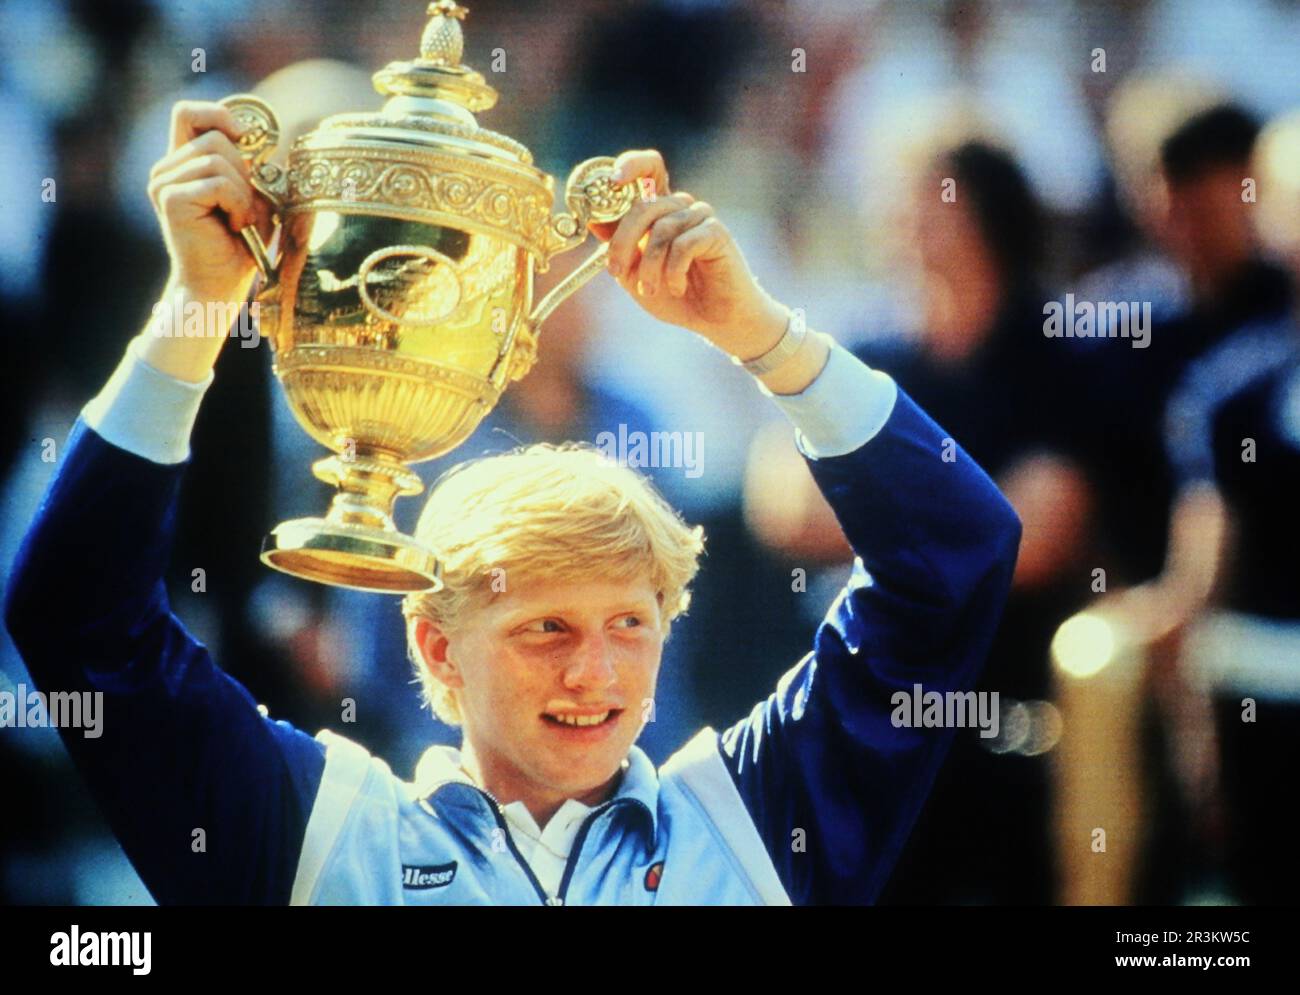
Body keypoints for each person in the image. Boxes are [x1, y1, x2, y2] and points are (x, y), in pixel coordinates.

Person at [4, 100, 1020, 906]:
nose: (596, 669)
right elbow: (74, 611)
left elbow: (959, 554)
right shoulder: (319, 833)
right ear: (437, 645)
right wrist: (198, 303)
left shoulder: (760, 818)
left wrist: (756, 328)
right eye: (546, 626)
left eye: (632, 622)